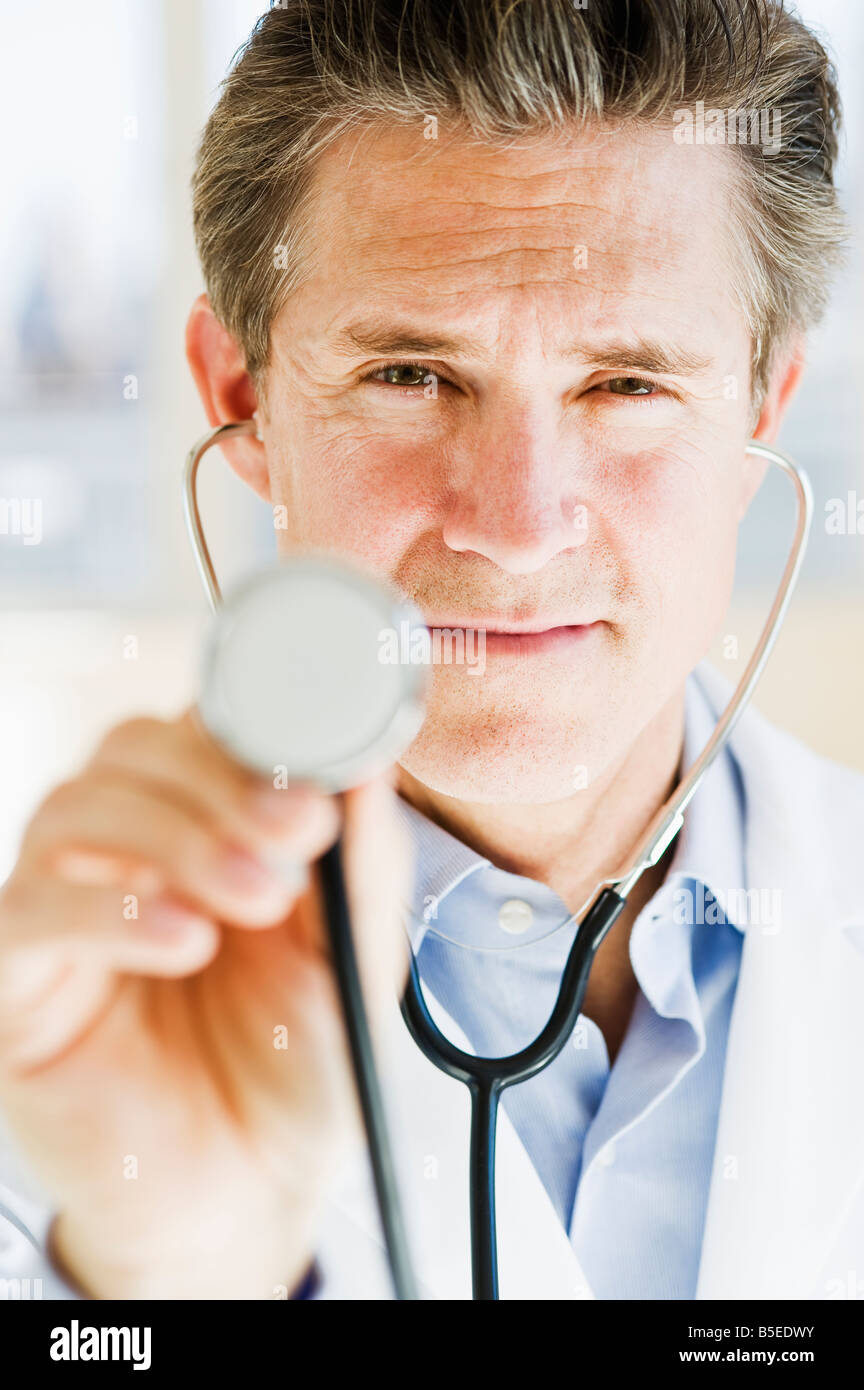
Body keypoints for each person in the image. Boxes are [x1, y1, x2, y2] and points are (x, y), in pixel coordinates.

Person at [1, 0, 862, 1302]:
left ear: (760, 409)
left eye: (626, 386)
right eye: (411, 373)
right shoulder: (56, 1014)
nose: (515, 527)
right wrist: (171, 1275)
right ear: (243, 401)